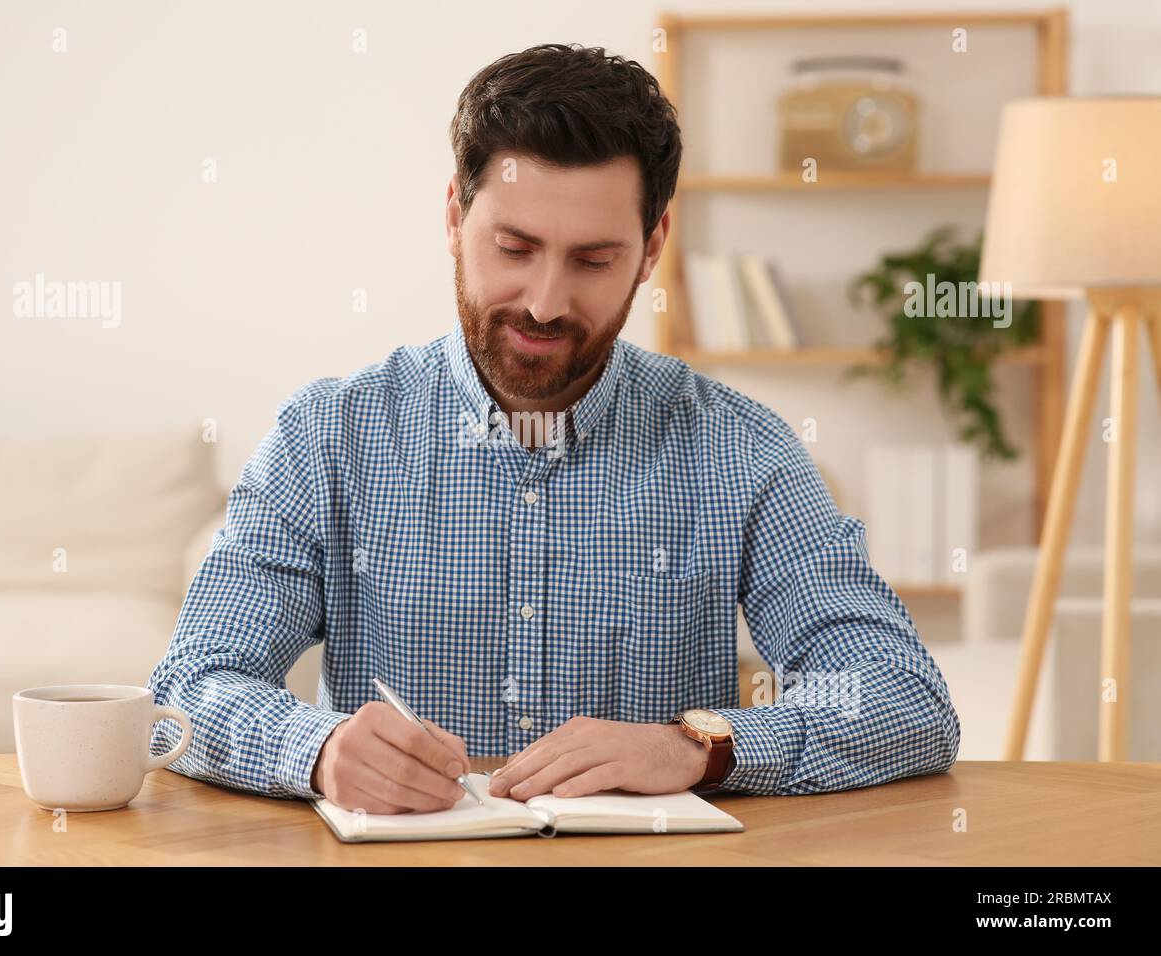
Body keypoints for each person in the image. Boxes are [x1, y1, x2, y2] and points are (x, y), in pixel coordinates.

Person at [148, 42, 960, 814]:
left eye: (592, 260)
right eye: (514, 247)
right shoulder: (327, 436)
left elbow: (904, 698)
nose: (543, 300)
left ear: (652, 249)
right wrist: (319, 750)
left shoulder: (742, 451)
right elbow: (189, 688)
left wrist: (699, 746)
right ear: (454, 217)